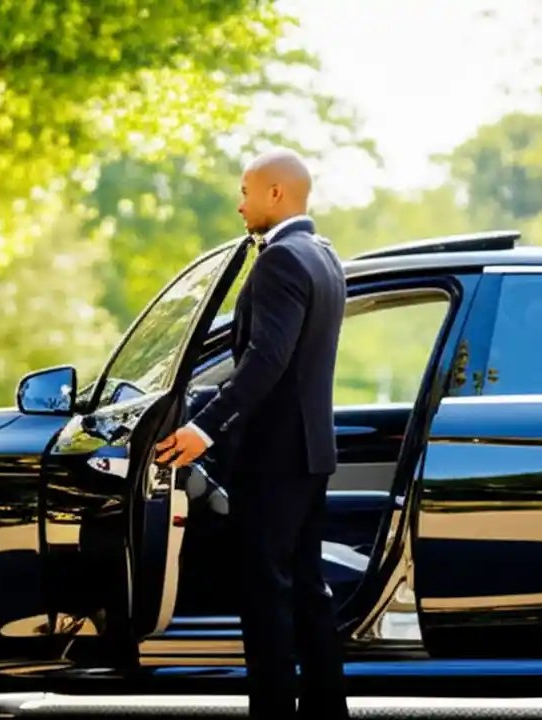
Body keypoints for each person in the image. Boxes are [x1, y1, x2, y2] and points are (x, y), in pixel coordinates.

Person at [155, 148, 350, 719]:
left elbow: (266, 360)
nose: (238, 203)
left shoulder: (280, 261)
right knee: (310, 592)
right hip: (312, 454)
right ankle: (325, 711)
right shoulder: (325, 256)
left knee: (266, 596)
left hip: (271, 457)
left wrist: (203, 429)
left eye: (245, 191)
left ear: (276, 194)